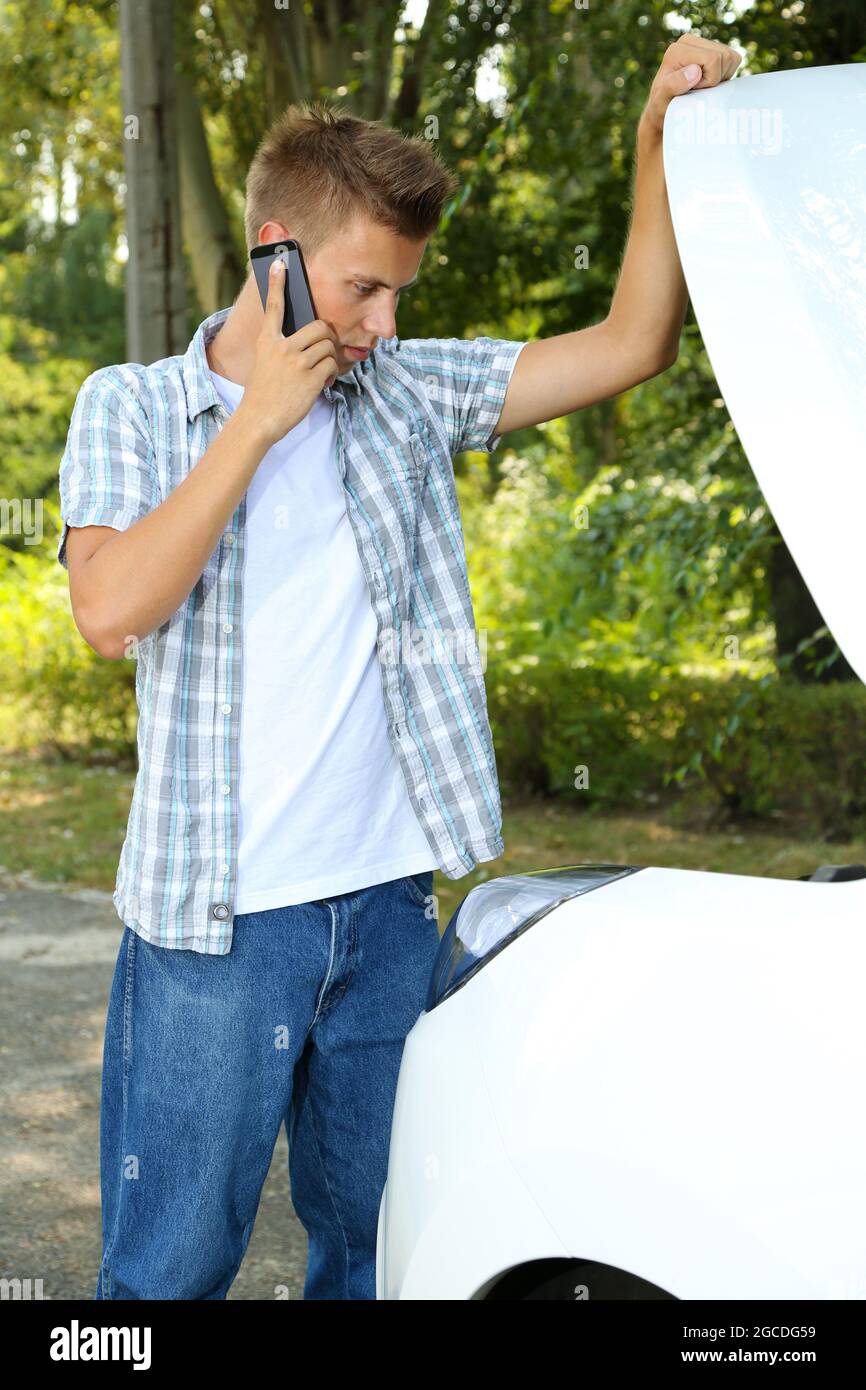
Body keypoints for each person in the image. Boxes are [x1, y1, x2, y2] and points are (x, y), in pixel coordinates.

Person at [56, 37, 740, 1302]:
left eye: (397, 295)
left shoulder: (405, 391)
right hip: (216, 926)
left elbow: (631, 339)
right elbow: (111, 610)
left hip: (384, 908)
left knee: (381, 1259)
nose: (382, 324)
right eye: (364, 289)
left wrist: (654, 133)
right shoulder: (133, 406)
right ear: (274, 250)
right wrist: (256, 421)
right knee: (165, 1278)